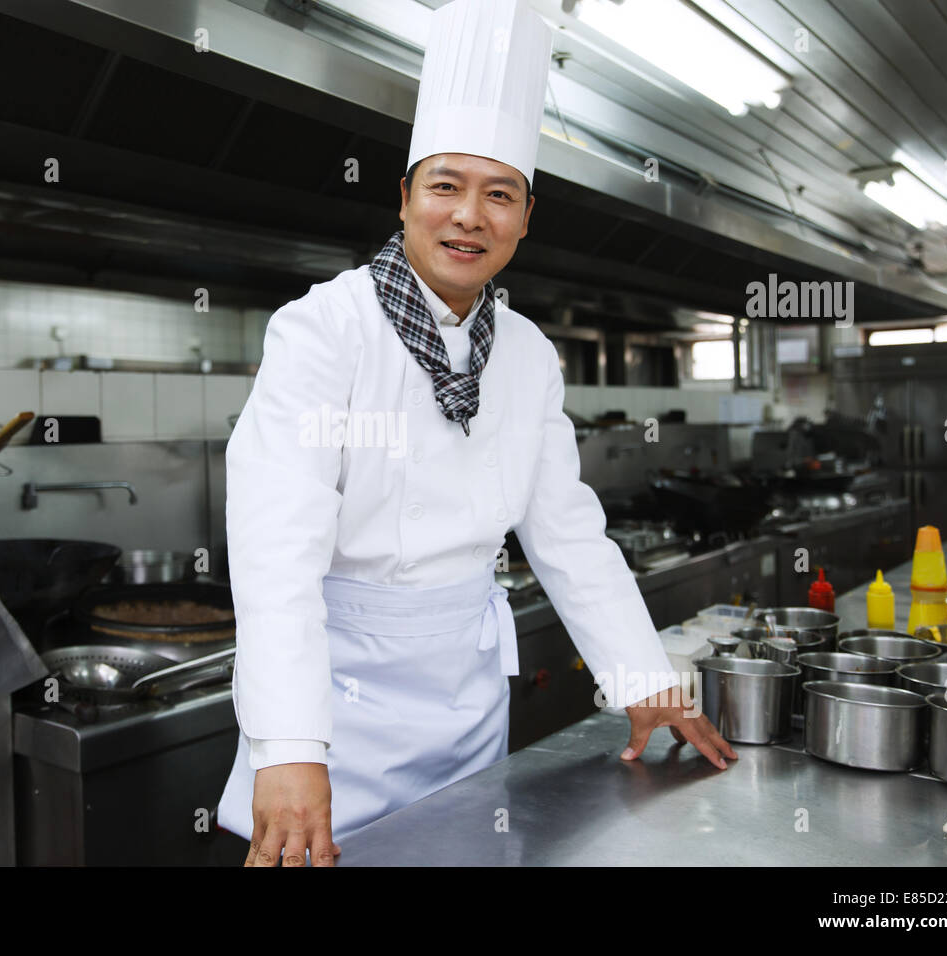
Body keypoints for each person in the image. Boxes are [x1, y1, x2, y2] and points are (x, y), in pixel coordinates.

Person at [214, 0, 735, 868]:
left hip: (464, 701)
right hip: (335, 705)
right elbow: (274, 548)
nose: (469, 216)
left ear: (526, 218)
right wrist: (290, 747)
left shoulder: (526, 353)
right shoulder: (323, 329)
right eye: (445, 186)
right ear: (407, 196)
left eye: (499, 195)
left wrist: (646, 681)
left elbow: (566, 530)